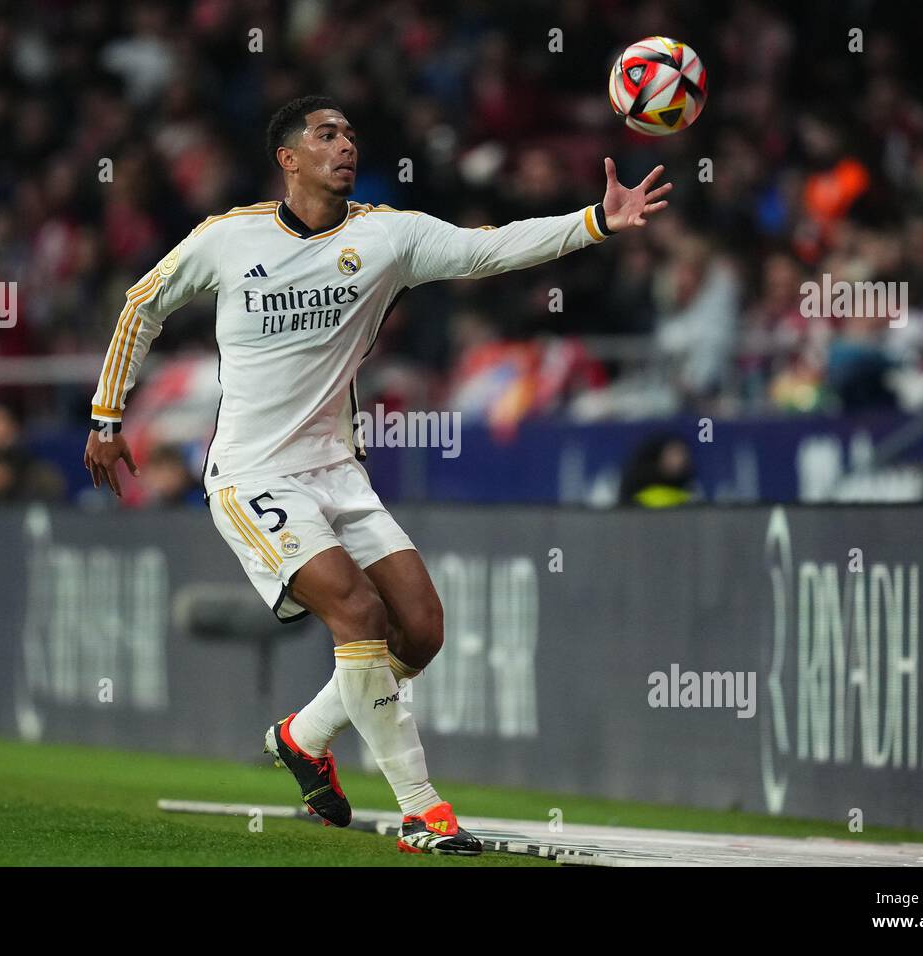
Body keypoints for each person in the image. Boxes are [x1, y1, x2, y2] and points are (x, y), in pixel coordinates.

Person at [83, 95, 672, 855]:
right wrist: (106, 416)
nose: (345, 144)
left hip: (338, 471)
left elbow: (490, 249)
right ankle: (423, 812)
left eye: (351, 134)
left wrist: (594, 220)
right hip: (251, 474)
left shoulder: (389, 237)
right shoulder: (228, 239)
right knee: (357, 615)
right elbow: (142, 305)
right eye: (326, 134)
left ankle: (302, 737)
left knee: (421, 631)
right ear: (288, 159)